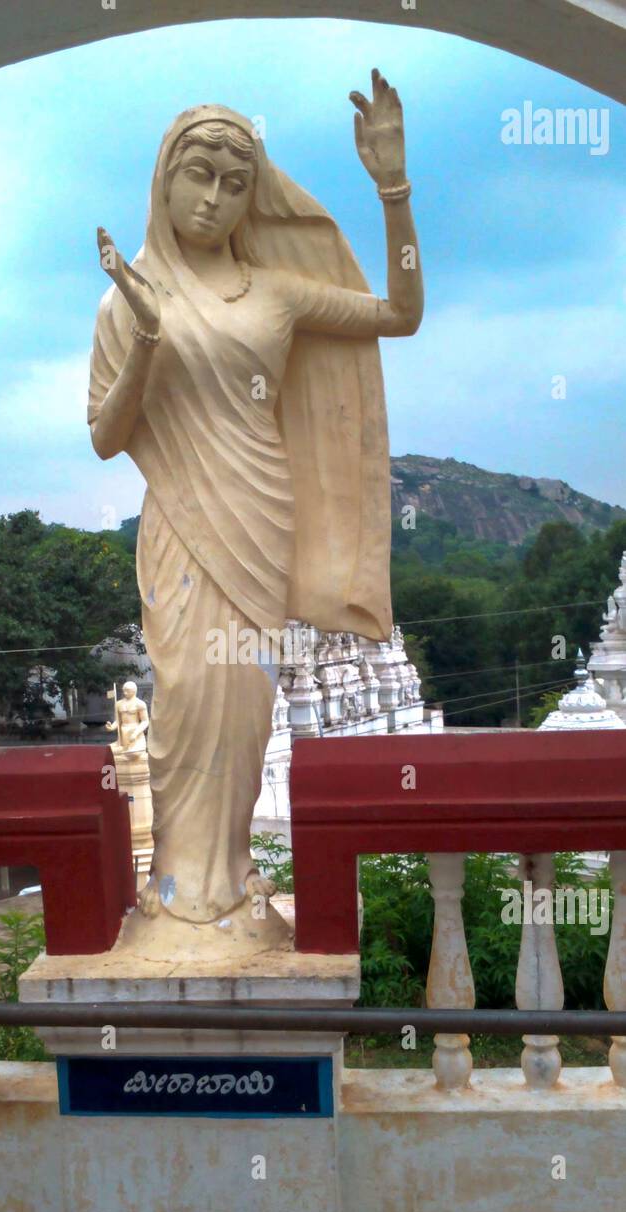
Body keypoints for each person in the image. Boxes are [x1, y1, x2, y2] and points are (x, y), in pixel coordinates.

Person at [88, 70, 423, 934]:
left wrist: (393, 187)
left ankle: (232, 884)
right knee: (186, 697)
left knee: (246, 707)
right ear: (163, 178)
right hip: (180, 525)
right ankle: (174, 892)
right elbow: (104, 433)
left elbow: (400, 312)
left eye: (235, 183)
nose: (213, 198)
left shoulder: (274, 291)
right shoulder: (125, 299)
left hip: (262, 515)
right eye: (197, 174)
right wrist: (148, 335)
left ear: (253, 197)